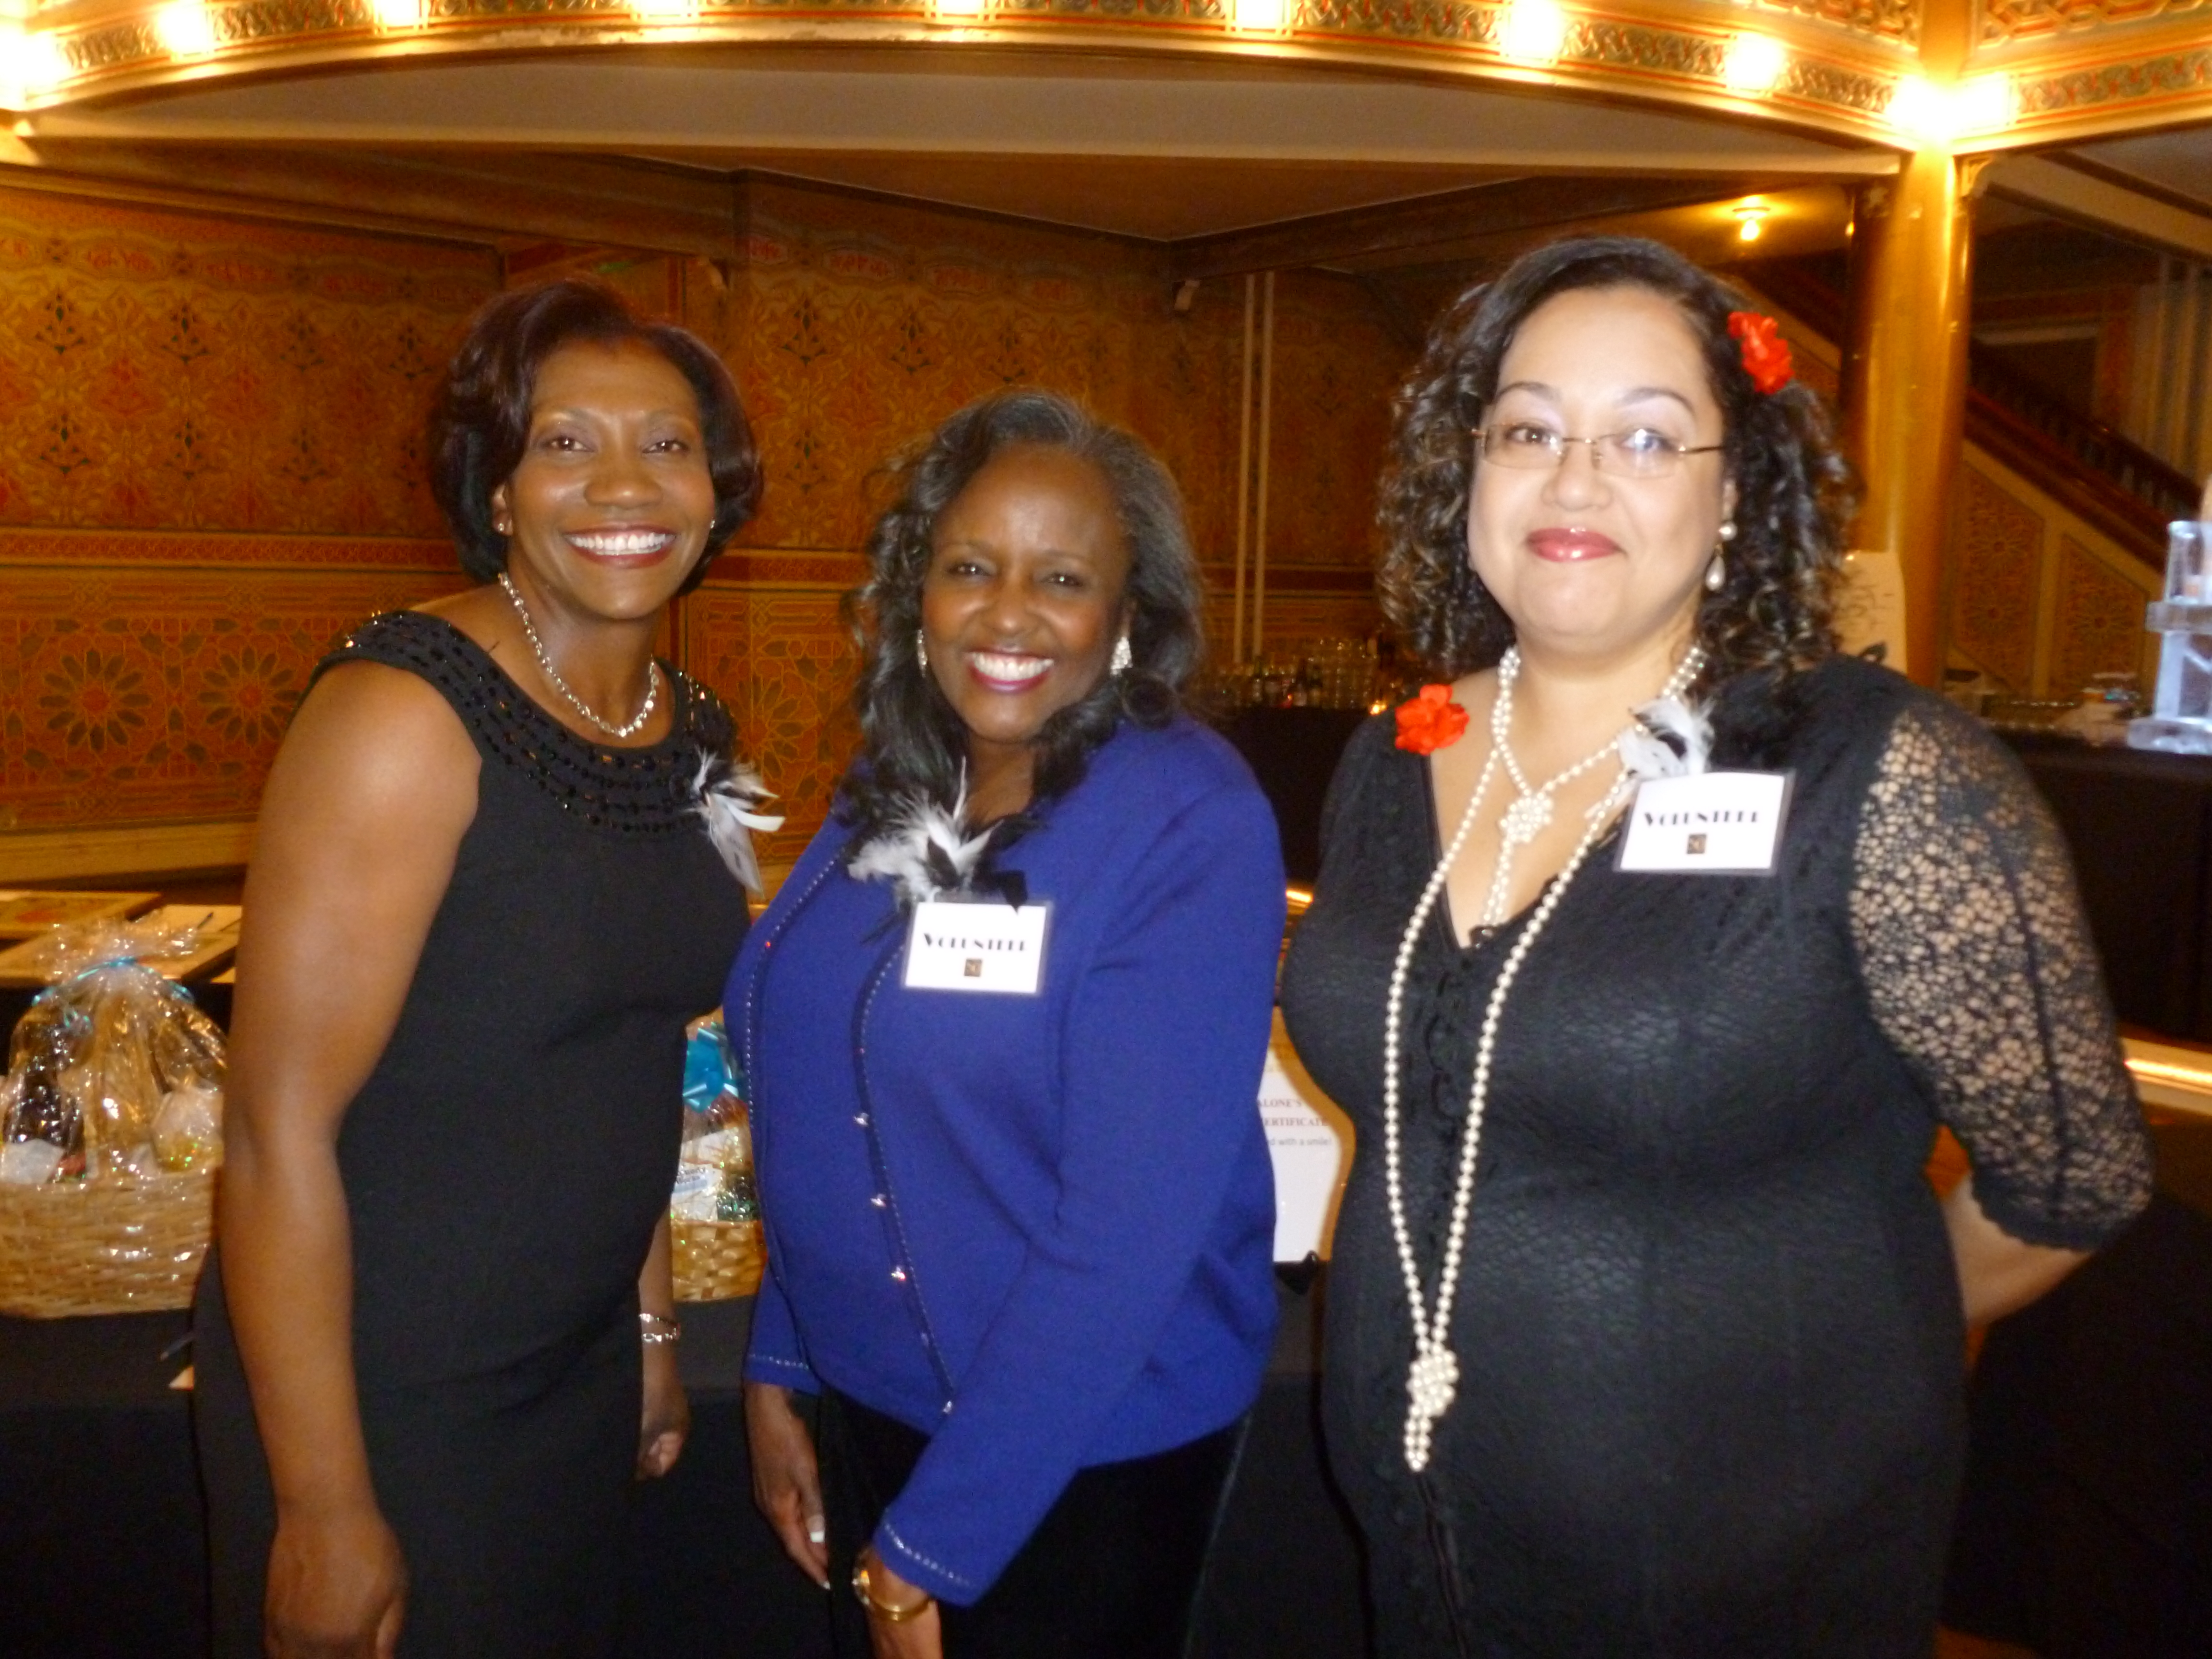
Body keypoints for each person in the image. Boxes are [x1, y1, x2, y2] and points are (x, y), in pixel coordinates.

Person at [1277, 236, 2155, 1657]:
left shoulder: (1884, 774)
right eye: (1529, 429)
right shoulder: (1393, 756)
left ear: (1736, 491)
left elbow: (2077, 1177)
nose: (1574, 479)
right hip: (1420, 1530)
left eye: (1643, 435)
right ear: (1471, 476)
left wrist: (1828, 1333)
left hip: (1744, 1561)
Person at [193, 278, 770, 1658]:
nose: (623, 482)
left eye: (669, 445)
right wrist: (324, 1508)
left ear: (716, 489)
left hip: (570, 1365)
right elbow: (275, 1136)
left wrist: (646, 1334)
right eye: (564, 442)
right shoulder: (402, 712)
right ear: (497, 488)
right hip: (389, 1384)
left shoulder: (690, 728)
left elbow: (626, 1052)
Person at [731, 389, 1284, 1659]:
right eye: (971, 567)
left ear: (1129, 614)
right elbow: (824, 1085)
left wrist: (937, 1548)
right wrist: (788, 1356)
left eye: (1064, 576)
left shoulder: (1190, 820)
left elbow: (1126, 1236)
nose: (1010, 613)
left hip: (1081, 1448)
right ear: (917, 592)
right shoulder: (899, 778)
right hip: (872, 1407)